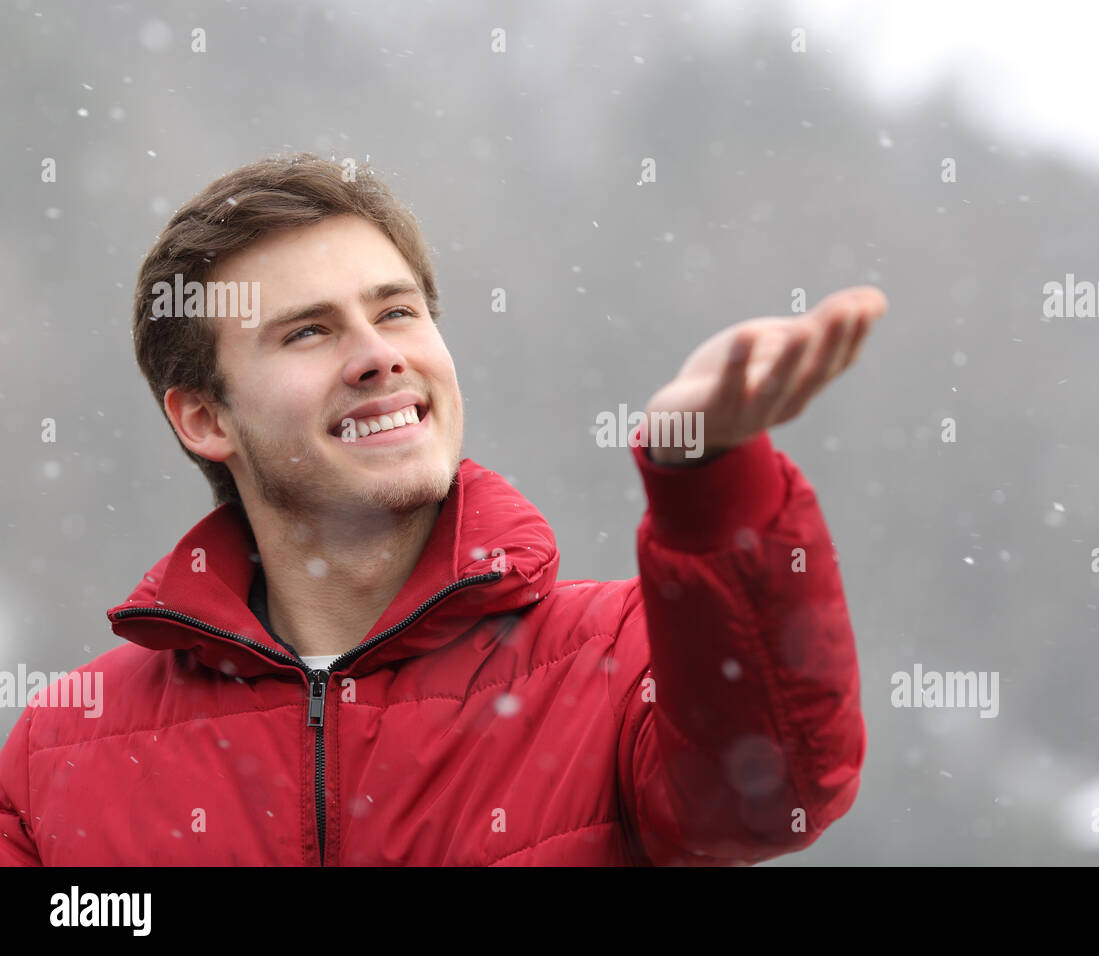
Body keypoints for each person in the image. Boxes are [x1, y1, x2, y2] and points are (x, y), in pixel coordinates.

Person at [0, 154, 887, 866]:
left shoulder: (617, 660)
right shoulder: (53, 753)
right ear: (206, 417)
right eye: (309, 330)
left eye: (398, 311)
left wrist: (707, 479)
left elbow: (773, 801)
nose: (380, 355)